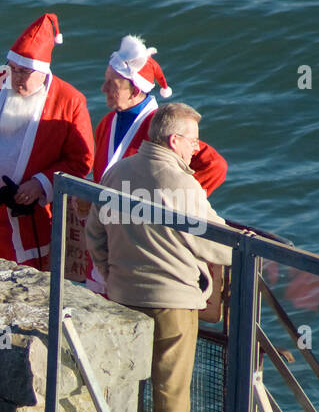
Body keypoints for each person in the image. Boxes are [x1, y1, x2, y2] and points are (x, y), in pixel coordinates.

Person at [84, 102, 233, 412]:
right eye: (193, 141)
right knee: (170, 395)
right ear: (173, 139)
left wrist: (110, 273)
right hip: (173, 303)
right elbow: (212, 243)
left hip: (122, 296)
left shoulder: (116, 173)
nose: (197, 149)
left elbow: (94, 233)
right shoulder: (182, 183)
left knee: (123, 382)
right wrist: (243, 244)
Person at [0, 13, 93, 271]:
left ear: (43, 72)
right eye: (12, 69)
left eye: (24, 72)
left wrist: (40, 183)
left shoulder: (70, 101)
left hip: (27, 220)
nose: (16, 78)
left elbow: (81, 161)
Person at [78, 35, 229, 290]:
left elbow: (215, 166)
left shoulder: (160, 129)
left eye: (111, 84)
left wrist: (174, 204)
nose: (103, 89)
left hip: (142, 244)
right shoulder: (107, 123)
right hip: (111, 236)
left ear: (135, 90)